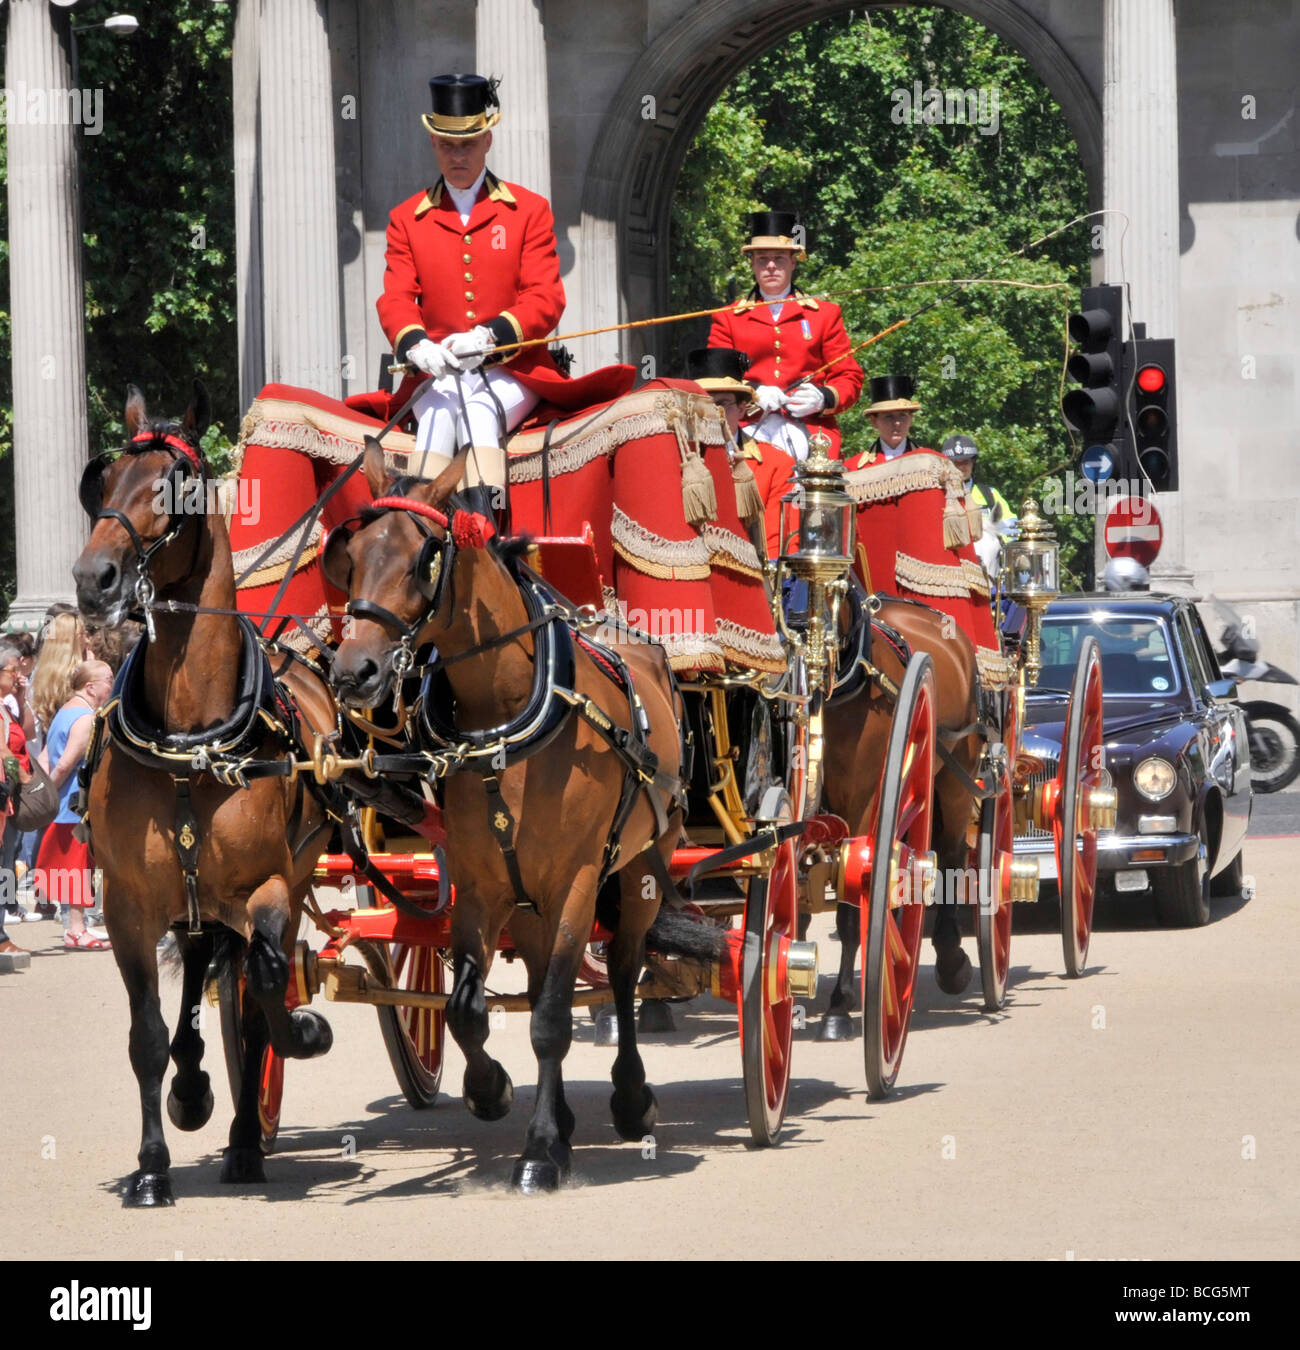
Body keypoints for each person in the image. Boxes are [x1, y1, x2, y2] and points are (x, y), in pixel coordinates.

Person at [378, 73, 569, 497]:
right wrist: (417, 346)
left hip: (511, 369)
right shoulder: (407, 218)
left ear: (488, 141)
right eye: (447, 144)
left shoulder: (529, 211)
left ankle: (484, 542)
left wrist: (489, 337)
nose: (457, 155)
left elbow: (546, 297)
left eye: (467, 144)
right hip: (438, 371)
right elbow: (396, 298)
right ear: (433, 144)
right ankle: (420, 542)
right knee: (437, 415)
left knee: (479, 411)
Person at [707, 211, 863, 461]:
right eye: (762, 259)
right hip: (746, 425)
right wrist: (753, 394)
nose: (770, 266)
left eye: (779, 258)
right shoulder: (728, 317)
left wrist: (822, 398)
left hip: (810, 431)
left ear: (793, 261)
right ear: (752, 263)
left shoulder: (824, 314)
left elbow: (849, 377)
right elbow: (715, 380)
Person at [685, 346, 795, 559]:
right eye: (701, 404)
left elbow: (776, 543)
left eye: (721, 405)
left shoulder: (776, 463)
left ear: (742, 408)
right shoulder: (674, 458)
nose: (710, 414)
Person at [34, 661, 114, 951]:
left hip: (65, 805)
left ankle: (75, 927)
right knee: (77, 869)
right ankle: (76, 929)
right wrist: (48, 795)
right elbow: (66, 763)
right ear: (91, 687)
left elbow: (44, 757)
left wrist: (40, 793)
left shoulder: (64, 712)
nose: (112, 684)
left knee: (74, 868)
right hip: (73, 805)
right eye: (108, 679)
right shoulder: (85, 718)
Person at [941, 433, 1016, 580]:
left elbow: (1011, 526)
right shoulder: (938, 496)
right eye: (955, 463)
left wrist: (1005, 541)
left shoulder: (990, 494)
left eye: (965, 462)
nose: (961, 468)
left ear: (973, 463)